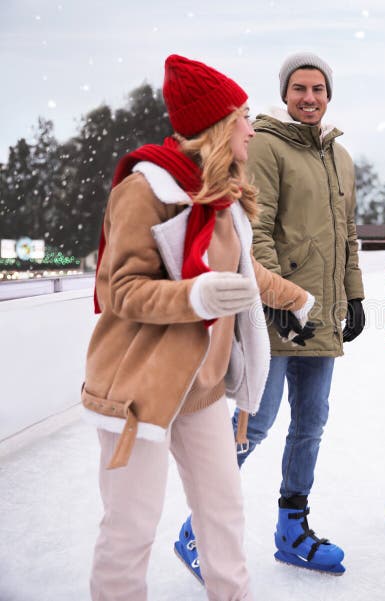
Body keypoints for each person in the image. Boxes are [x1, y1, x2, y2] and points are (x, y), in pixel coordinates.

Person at [83, 54, 314, 600]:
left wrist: (296, 296)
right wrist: (193, 295)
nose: (252, 129)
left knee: (223, 516)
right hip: (139, 391)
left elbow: (241, 272)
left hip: (203, 390)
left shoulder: (224, 196)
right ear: (216, 125)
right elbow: (119, 289)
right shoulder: (145, 192)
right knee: (131, 528)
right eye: (243, 116)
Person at [174, 51, 364, 576]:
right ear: (285, 94)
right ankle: (197, 529)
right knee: (253, 426)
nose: (309, 97)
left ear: (329, 95)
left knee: (311, 424)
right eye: (300, 88)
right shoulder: (267, 146)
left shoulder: (340, 157)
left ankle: (292, 528)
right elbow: (255, 230)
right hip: (278, 312)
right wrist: (275, 302)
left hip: (320, 312)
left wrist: (353, 295)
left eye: (318, 89)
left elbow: (346, 234)